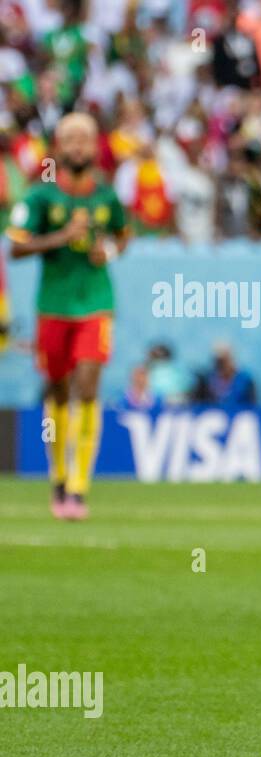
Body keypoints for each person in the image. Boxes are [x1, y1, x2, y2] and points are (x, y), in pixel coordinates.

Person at [6, 112, 129, 521]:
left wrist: (107, 251)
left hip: (95, 300)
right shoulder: (41, 196)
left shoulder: (106, 196)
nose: (78, 146)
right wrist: (62, 237)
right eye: (71, 139)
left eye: (86, 139)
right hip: (53, 304)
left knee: (89, 383)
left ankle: (78, 488)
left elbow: (123, 235)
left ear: (96, 147)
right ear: (58, 147)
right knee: (58, 390)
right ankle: (58, 476)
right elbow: (17, 249)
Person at [193, 342, 257, 407]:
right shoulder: (207, 381)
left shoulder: (245, 381)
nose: (220, 365)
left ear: (231, 360)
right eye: (217, 361)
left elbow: (254, 407)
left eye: (223, 361)